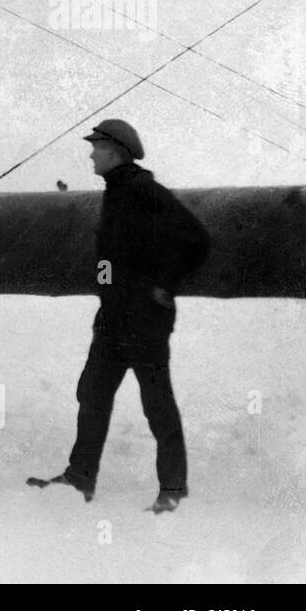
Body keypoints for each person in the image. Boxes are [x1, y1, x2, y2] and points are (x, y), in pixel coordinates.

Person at [29, 119, 209, 513]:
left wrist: (164, 284)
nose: (91, 154)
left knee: (156, 402)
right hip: (114, 315)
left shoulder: (145, 191)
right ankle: (79, 478)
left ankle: (173, 488)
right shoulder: (115, 192)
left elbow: (196, 238)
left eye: (97, 148)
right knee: (92, 393)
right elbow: (108, 257)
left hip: (145, 318)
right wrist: (105, 285)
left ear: (116, 152)